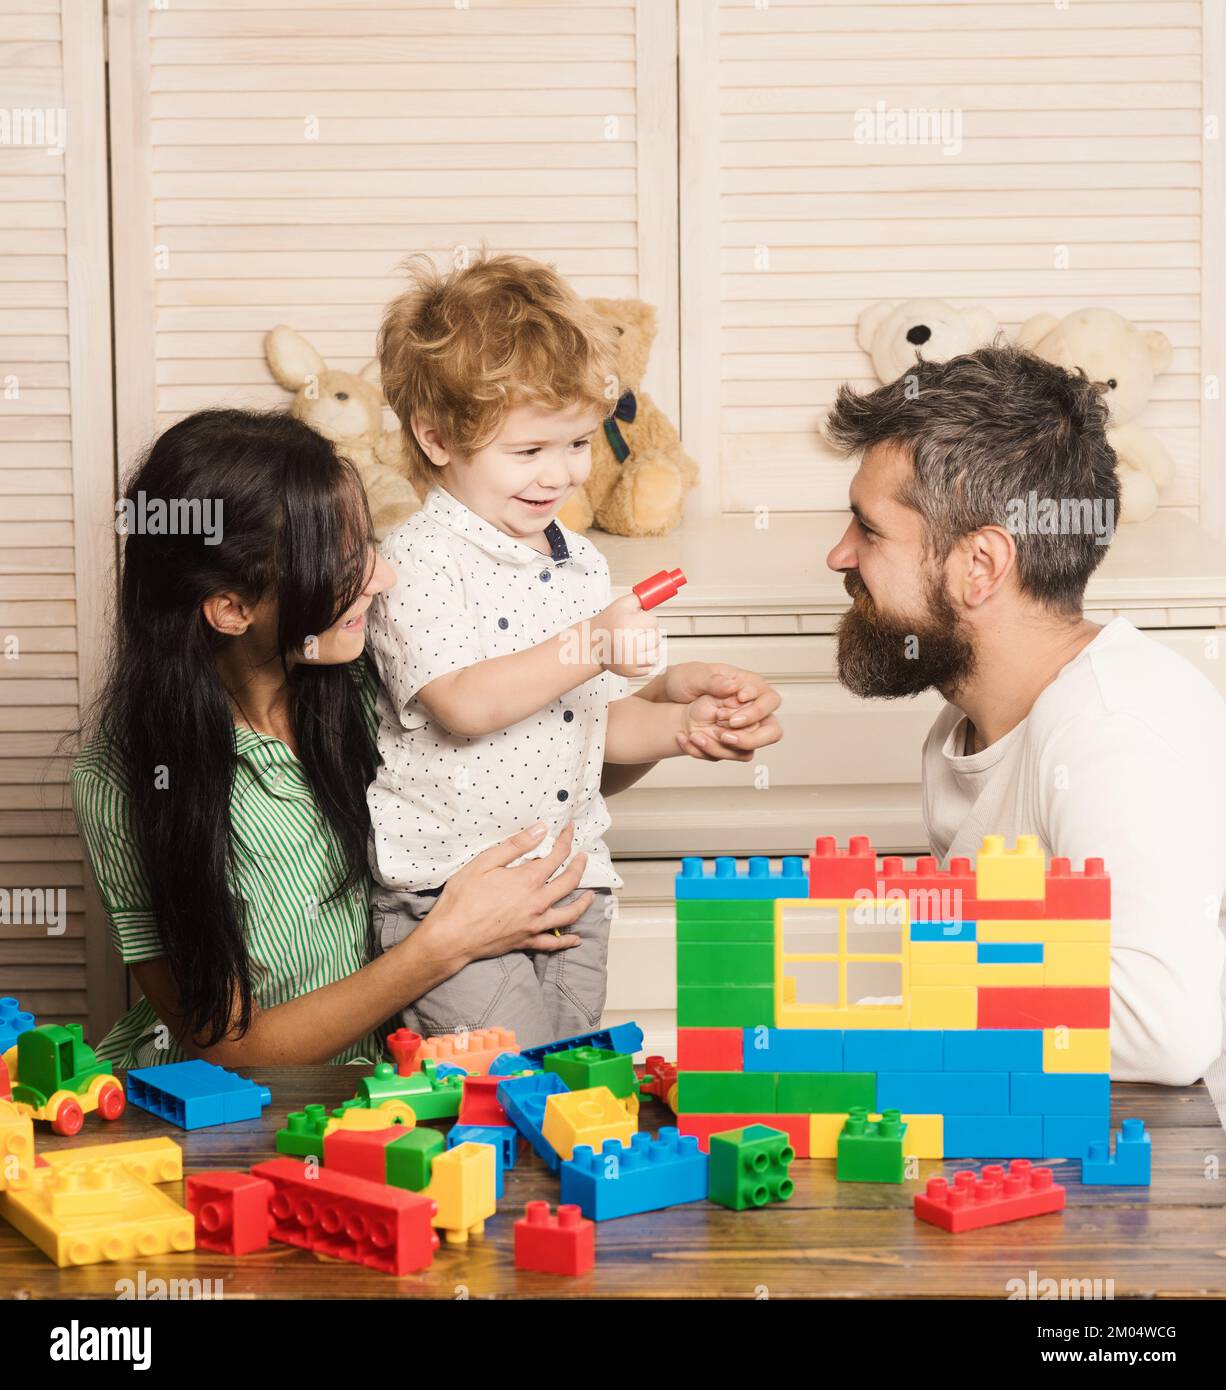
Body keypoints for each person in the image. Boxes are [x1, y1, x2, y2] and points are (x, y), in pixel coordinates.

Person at [366, 252, 782, 1046]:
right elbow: (465, 702)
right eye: (529, 451)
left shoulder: (578, 563)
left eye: (579, 444)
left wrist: (686, 726)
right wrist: (594, 641)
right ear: (437, 437)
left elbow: (588, 730)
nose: (559, 474)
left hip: (571, 884)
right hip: (456, 893)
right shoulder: (417, 562)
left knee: (567, 1090)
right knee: (499, 1091)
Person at [823, 344, 1226, 1086]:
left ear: (980, 566)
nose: (838, 556)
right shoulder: (967, 722)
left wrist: (875, 975)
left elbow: (1164, 1031)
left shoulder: (1115, 732)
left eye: (869, 530)